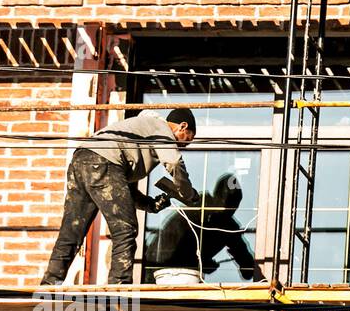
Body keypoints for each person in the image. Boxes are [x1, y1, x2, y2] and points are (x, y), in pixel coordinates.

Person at [40, 108, 200, 286]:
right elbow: (174, 162)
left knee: (71, 232)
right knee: (125, 229)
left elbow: (120, 188)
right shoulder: (160, 127)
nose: (184, 146)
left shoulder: (138, 134)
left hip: (82, 160)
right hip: (103, 163)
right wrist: (188, 193)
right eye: (187, 139)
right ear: (182, 126)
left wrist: (150, 204)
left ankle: (49, 284)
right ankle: (119, 287)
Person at [144, 171, 262, 282]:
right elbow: (175, 248)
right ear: (216, 196)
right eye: (225, 203)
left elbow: (247, 268)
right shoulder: (197, 210)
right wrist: (201, 262)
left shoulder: (227, 224)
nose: (226, 209)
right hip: (158, 269)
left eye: (232, 205)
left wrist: (203, 262)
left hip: (174, 273)